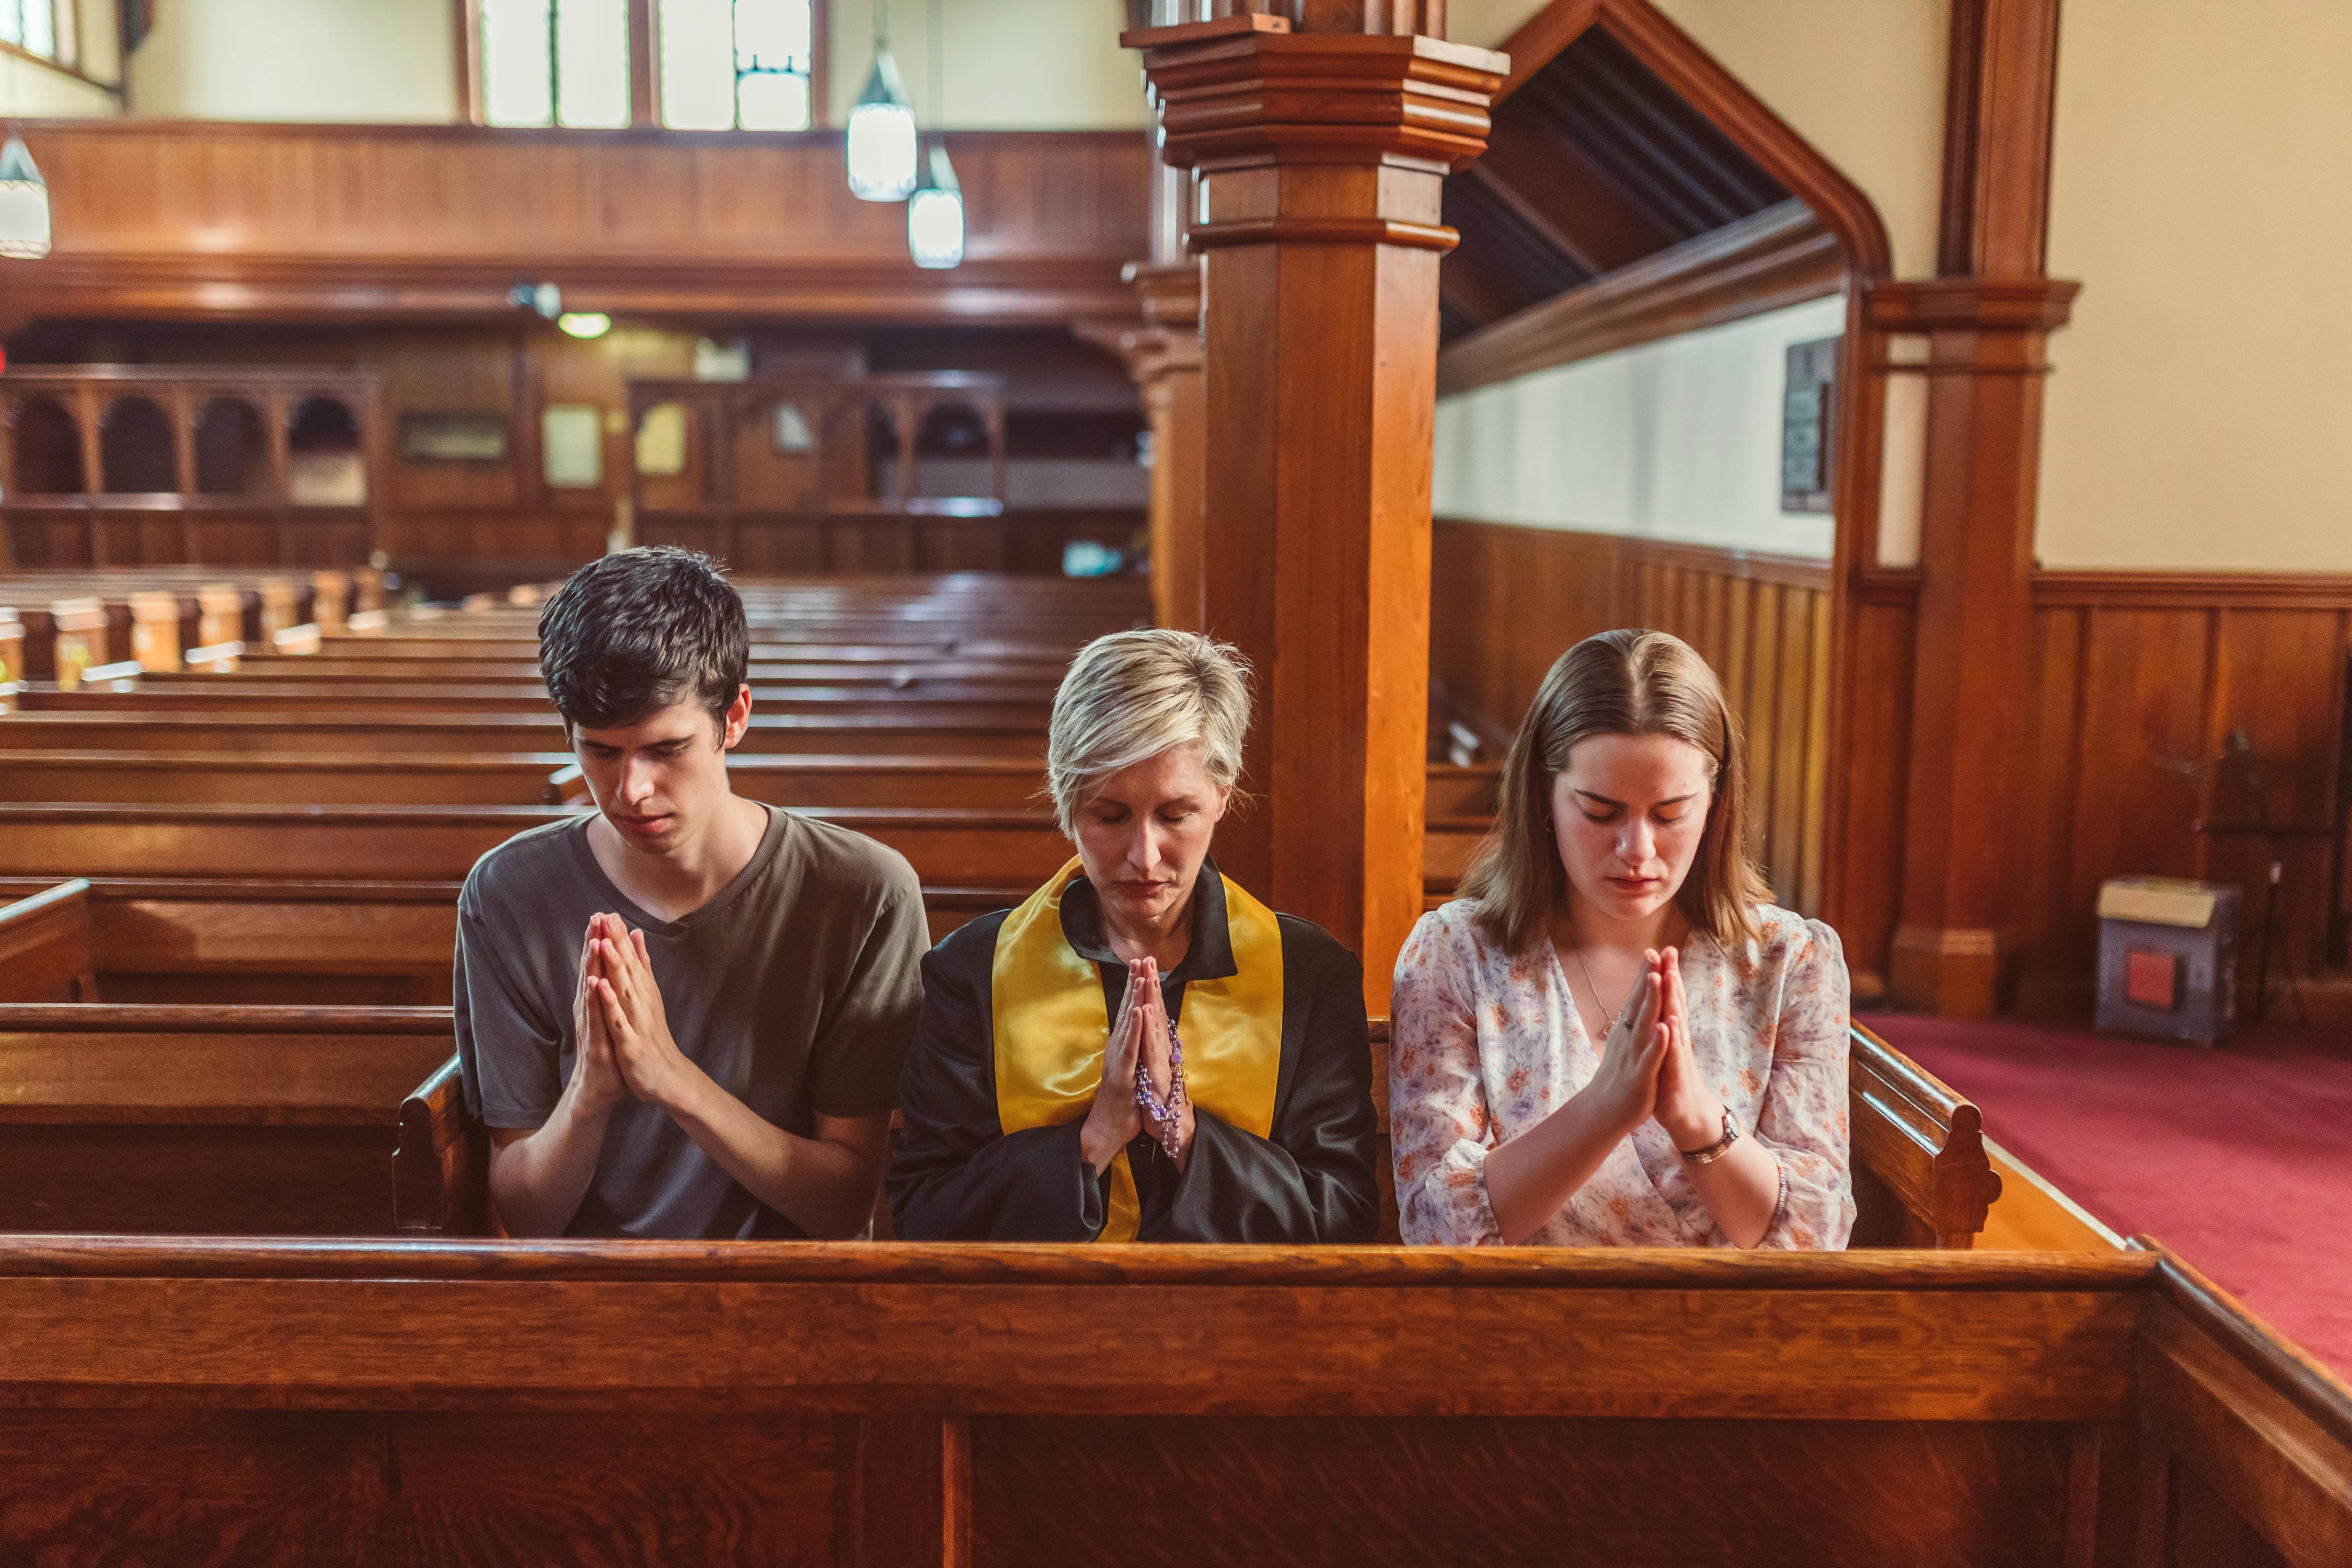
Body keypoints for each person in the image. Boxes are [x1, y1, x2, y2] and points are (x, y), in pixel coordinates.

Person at [454, 547, 930, 1239]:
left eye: (666, 749)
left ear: (734, 717)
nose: (631, 790)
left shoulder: (864, 894)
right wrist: (590, 1096)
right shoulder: (507, 895)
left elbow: (843, 1207)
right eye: (601, 752)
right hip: (587, 1301)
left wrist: (673, 1080)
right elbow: (527, 1215)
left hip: (793, 1298)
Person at [890, 630, 1378, 1243]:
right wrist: (1093, 1141)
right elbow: (925, 1216)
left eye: (1176, 815)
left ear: (1223, 797)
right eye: (1109, 815)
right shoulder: (972, 972)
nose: (1145, 856)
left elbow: (1345, 1219)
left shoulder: (1309, 974)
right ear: (1066, 804)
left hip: (1246, 1327)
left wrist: (1186, 1136)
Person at [1389, 628, 1853, 1249]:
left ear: (1715, 803)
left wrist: (1693, 1118)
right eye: (1600, 812)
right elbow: (1434, 1229)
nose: (1638, 851)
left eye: (1670, 814)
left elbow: (1814, 1238)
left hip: (1731, 1333)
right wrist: (1604, 1109)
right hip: (1514, 1328)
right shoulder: (1455, 954)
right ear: (1544, 798)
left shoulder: (1791, 962)